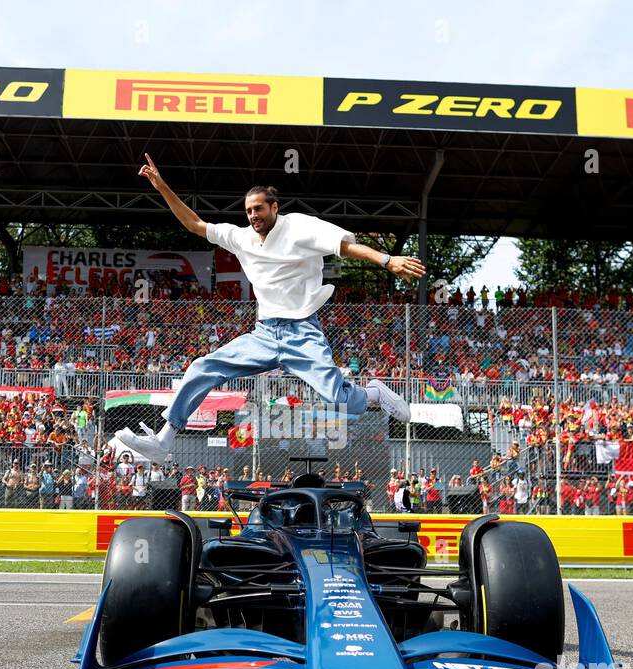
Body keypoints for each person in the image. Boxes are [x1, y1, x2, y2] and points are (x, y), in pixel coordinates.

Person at [114, 154, 419, 463]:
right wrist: (161, 185)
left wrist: (387, 260)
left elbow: (346, 247)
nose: (253, 216)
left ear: (275, 207)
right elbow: (195, 224)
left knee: (338, 398)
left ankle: (375, 393)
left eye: (259, 209)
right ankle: (164, 440)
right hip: (263, 334)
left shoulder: (300, 227)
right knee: (200, 368)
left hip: (301, 332)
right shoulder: (241, 237)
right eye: (248, 211)